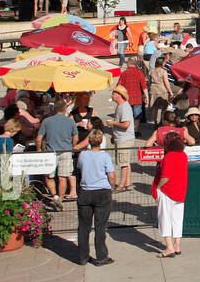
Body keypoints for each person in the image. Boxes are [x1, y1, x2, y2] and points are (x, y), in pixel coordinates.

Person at [75, 128, 116, 266]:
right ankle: (101, 256)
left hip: (86, 192)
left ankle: (83, 256)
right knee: (100, 226)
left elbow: (81, 168)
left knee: (83, 226)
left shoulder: (83, 155)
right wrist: (113, 186)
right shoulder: (105, 156)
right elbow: (111, 175)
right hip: (102, 192)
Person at [36, 95, 78, 205]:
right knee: (62, 177)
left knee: (48, 176)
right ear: (65, 109)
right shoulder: (70, 121)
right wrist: (72, 146)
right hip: (66, 151)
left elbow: (39, 138)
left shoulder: (47, 121)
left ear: (54, 109)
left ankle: (54, 195)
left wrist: (39, 149)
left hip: (51, 152)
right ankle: (61, 198)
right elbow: (75, 137)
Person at [152, 131, 188, 257]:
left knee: (164, 218)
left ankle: (169, 247)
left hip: (168, 191)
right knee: (177, 219)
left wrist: (158, 187)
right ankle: (177, 245)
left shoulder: (168, 157)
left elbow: (165, 177)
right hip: (180, 191)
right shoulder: (183, 155)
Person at [109, 86, 136, 191]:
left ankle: (121, 185)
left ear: (119, 95)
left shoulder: (123, 107)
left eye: (114, 93)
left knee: (123, 163)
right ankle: (127, 183)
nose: (112, 95)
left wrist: (113, 123)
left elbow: (126, 124)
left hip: (124, 139)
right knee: (126, 162)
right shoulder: (121, 106)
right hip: (121, 137)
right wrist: (113, 135)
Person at [118, 61, 148, 131]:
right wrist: (147, 97)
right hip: (137, 98)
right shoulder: (139, 73)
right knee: (137, 116)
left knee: (127, 115)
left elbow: (119, 86)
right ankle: (136, 130)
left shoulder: (124, 73)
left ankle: (129, 129)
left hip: (126, 99)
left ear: (128, 64)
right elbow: (144, 87)